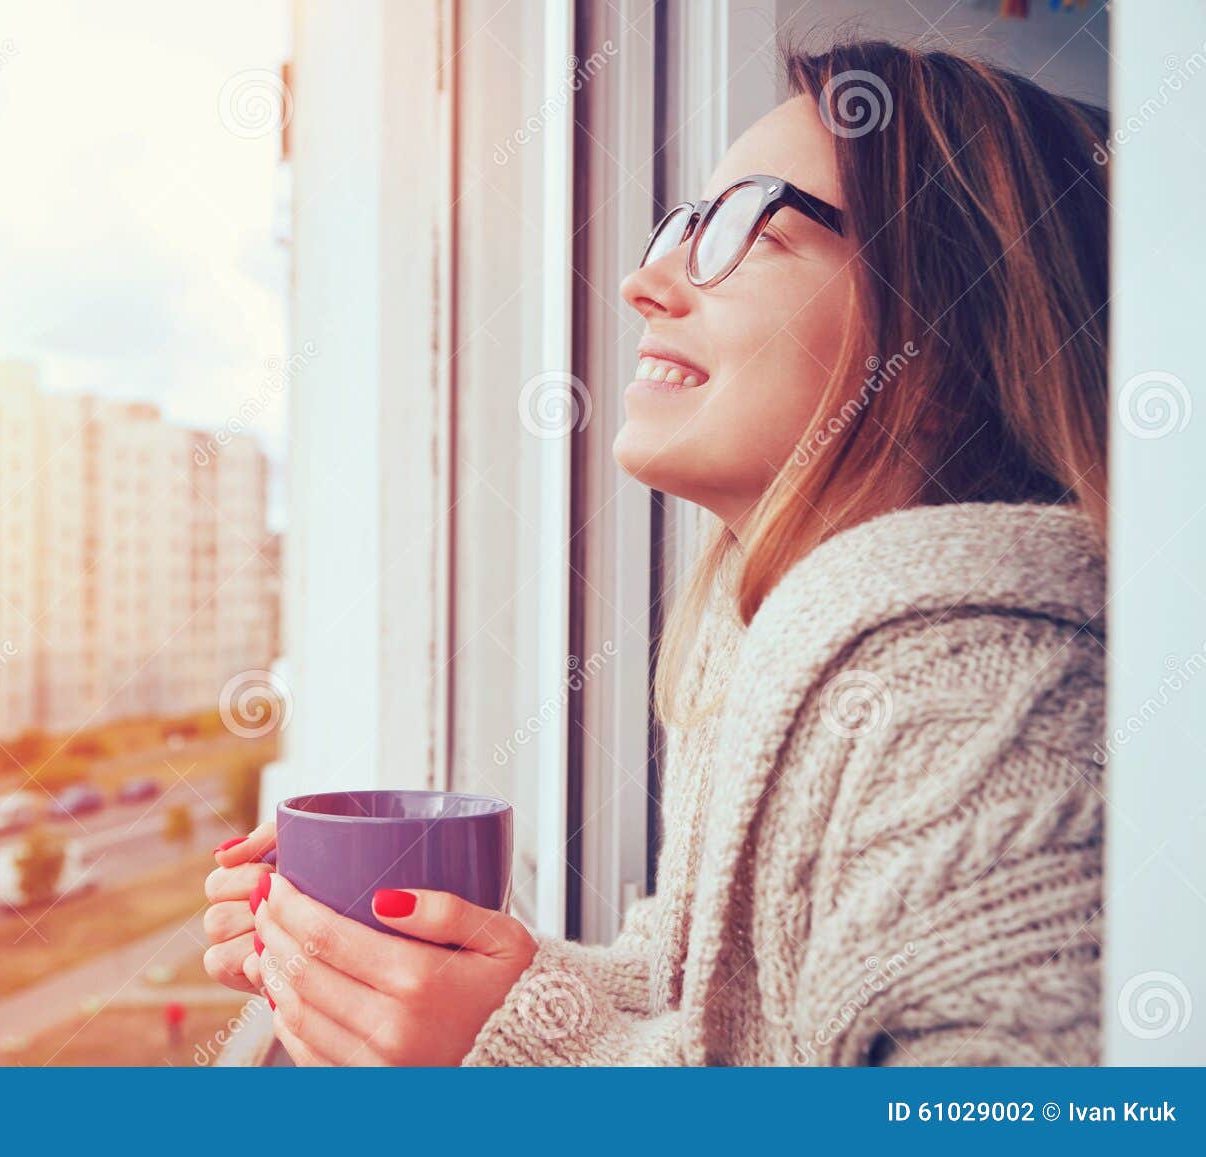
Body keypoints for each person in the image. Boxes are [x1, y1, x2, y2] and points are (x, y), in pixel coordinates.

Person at [203, 38, 1108, 1066]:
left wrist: (515, 1071)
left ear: (940, 352)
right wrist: (408, 978)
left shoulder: (968, 707)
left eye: (743, 227)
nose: (642, 282)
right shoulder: (771, 643)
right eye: (683, 224)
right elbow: (717, 1008)